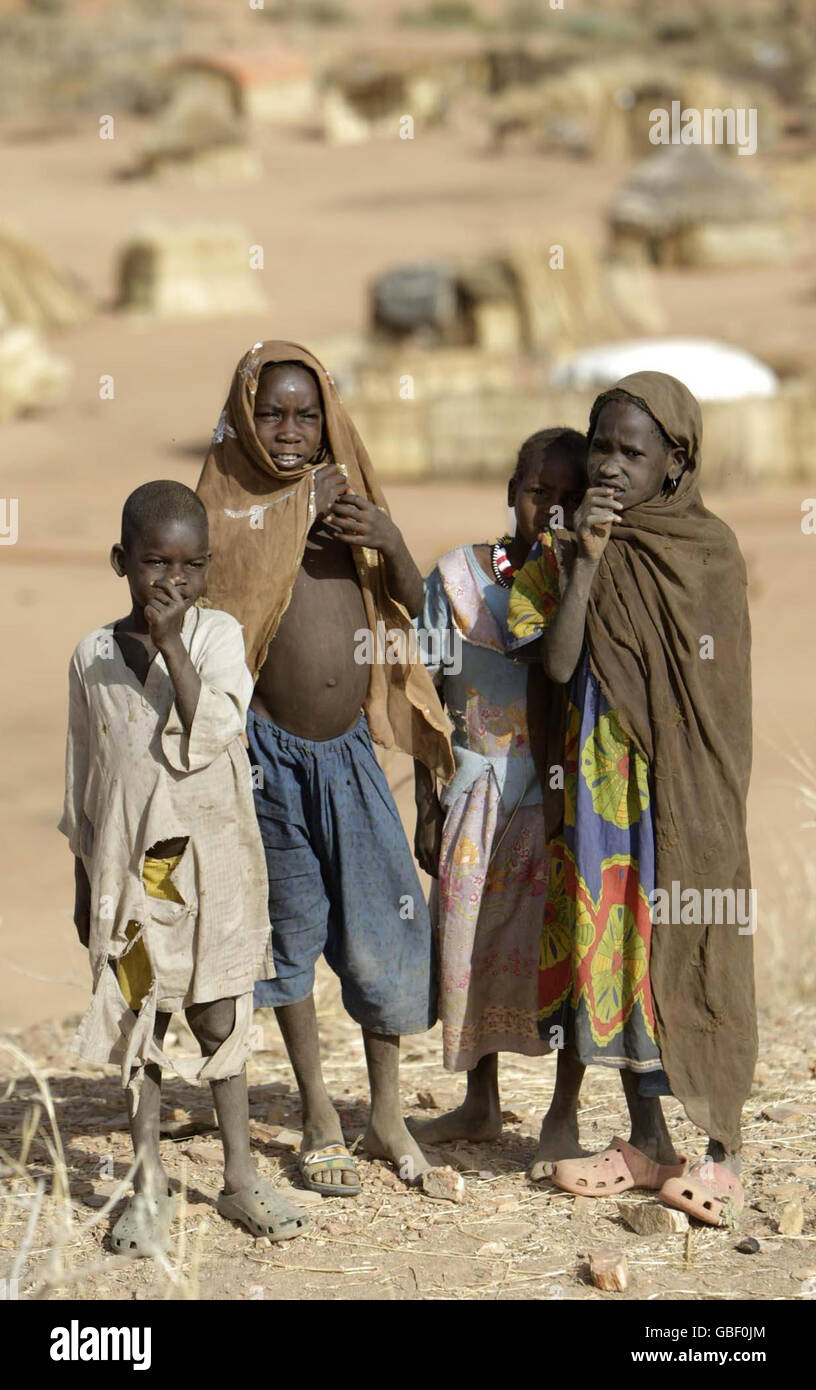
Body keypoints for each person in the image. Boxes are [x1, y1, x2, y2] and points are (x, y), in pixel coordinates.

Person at [196, 341, 453, 1196]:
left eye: (308, 414)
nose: (290, 429)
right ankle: (317, 1114)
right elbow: (217, 604)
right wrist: (288, 522)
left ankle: (385, 1113)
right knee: (290, 939)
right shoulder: (226, 499)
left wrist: (386, 536)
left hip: (351, 756)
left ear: (330, 418)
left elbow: (421, 613)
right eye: (272, 412)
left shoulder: (349, 496)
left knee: (382, 927)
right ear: (243, 413)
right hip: (267, 759)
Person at [507, 373, 756, 1225]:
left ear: (675, 461)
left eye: (631, 451)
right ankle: (646, 1140)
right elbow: (560, 664)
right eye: (601, 446)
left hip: (678, 796)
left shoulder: (707, 553)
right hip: (597, 797)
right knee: (615, 958)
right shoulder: (568, 545)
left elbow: (719, 703)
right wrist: (585, 562)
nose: (609, 465)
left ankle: (720, 1153)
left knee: (688, 953)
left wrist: (702, 798)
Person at [61, 481, 309, 1254]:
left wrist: (173, 643)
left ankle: (239, 1178)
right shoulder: (92, 656)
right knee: (140, 1018)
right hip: (129, 872)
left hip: (210, 864)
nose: (173, 580)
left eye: (191, 565)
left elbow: (215, 729)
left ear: (208, 568)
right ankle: (148, 1184)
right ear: (120, 562)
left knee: (217, 1013)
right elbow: (86, 781)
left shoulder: (216, 637)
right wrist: (83, 884)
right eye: (154, 563)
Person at [410, 428, 586, 1145]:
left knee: (568, 945)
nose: (551, 512)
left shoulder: (592, 585)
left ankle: (561, 1114)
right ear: (511, 493)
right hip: (475, 792)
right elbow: (423, 696)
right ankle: (480, 1098)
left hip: (566, 799)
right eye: (538, 493)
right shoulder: (457, 579)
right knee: (472, 943)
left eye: (570, 499)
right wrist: (427, 802)